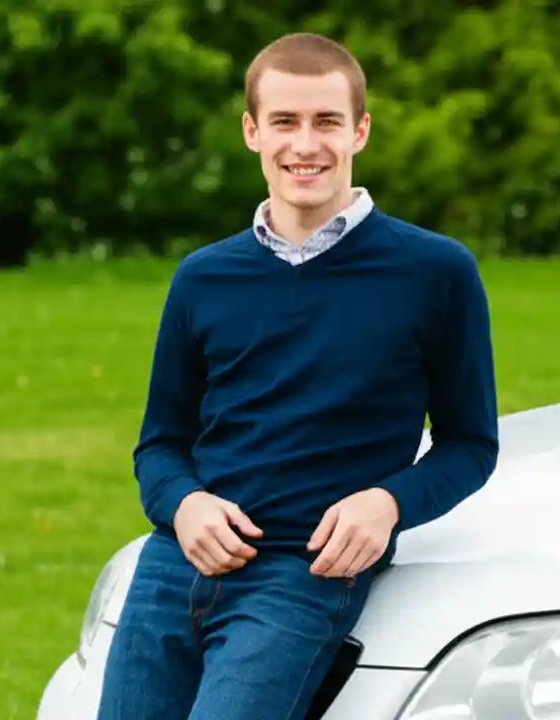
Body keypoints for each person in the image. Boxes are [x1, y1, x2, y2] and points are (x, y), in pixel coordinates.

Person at [96, 32, 500, 720]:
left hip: (302, 577)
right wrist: (184, 505)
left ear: (360, 131)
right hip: (175, 565)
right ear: (252, 131)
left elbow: (470, 444)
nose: (304, 145)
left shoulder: (435, 273)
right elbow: (160, 444)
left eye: (326, 122)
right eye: (284, 121)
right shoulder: (203, 277)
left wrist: (388, 503)